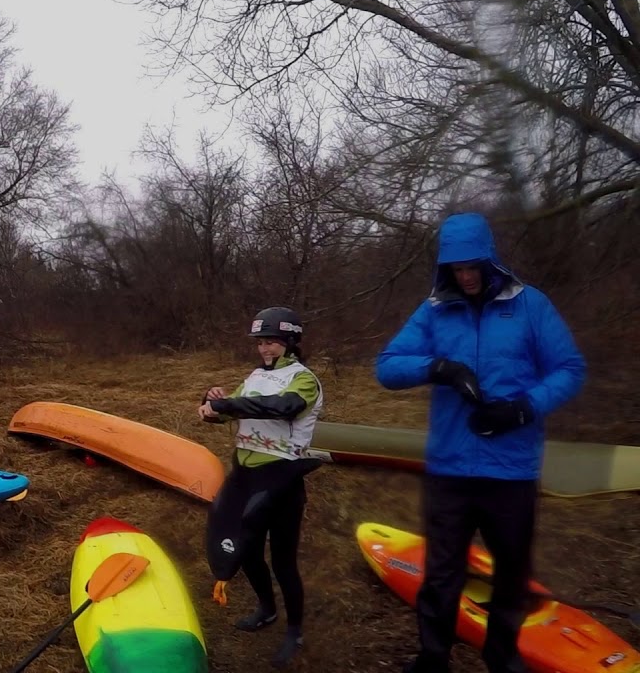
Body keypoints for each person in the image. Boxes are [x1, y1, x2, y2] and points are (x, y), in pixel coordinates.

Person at [375, 212, 586, 673]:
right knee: (442, 573)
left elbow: (569, 369)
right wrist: (438, 368)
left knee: (511, 573)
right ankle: (433, 657)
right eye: (457, 268)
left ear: (490, 260)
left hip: (510, 471)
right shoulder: (434, 310)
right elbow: (387, 366)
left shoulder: (531, 306)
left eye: (473, 266)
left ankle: (502, 654)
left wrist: (523, 408)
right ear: (445, 268)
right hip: (450, 469)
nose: (466, 276)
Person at [199, 306, 324, 669]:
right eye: (260, 342)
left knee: (283, 560)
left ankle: (295, 630)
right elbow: (231, 410)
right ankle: (267, 609)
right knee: (248, 551)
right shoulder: (254, 377)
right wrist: (211, 407)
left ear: (289, 342)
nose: (265, 349)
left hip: (281, 478)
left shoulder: (304, 379)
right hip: (245, 474)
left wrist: (230, 403)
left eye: (271, 342)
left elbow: (282, 407)